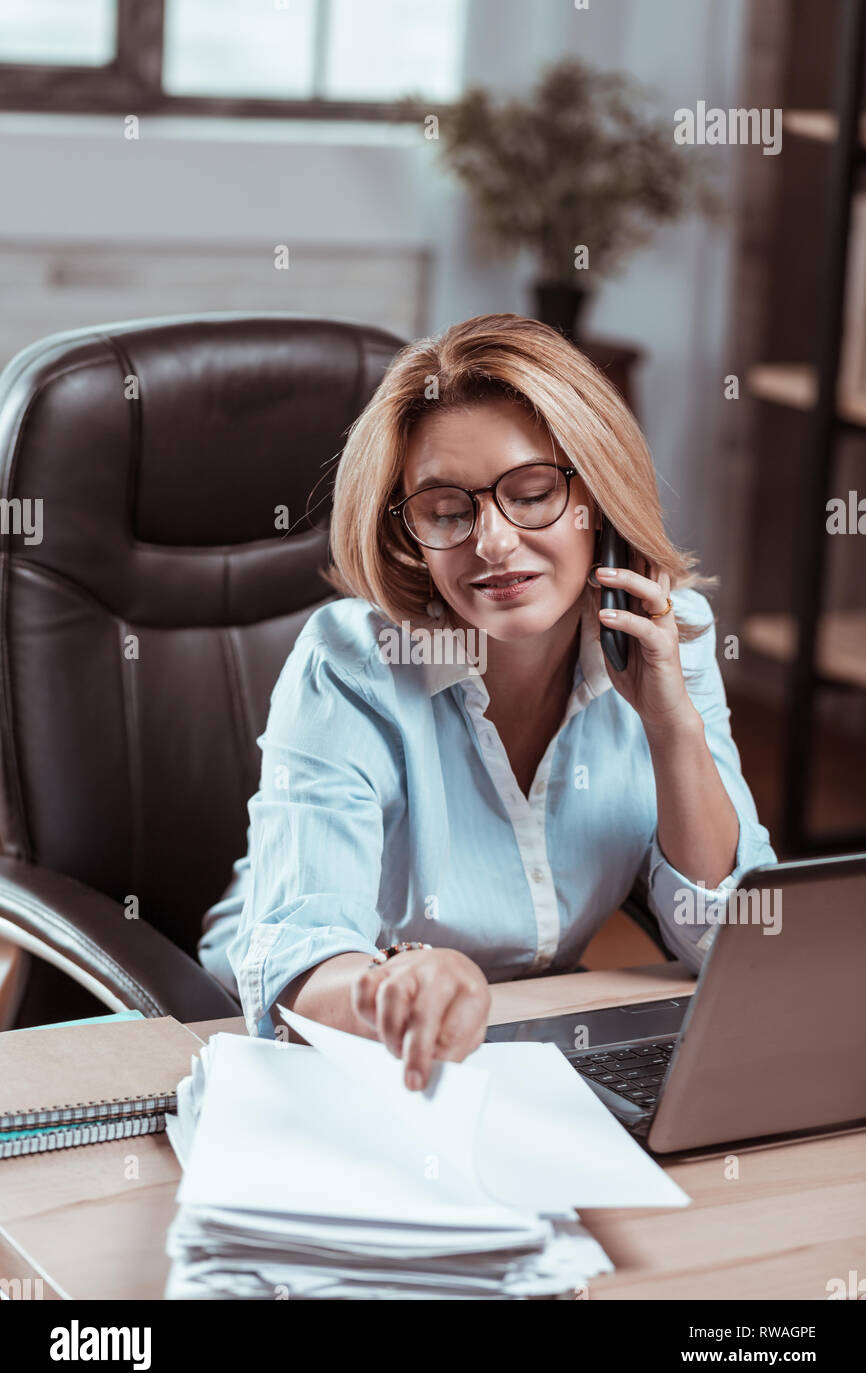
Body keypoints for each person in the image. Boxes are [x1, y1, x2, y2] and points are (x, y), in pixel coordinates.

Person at [198, 312, 775, 1091]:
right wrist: (393, 989)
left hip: (524, 1038)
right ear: (410, 534)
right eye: (447, 511)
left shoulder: (670, 637)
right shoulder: (353, 663)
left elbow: (725, 938)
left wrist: (673, 727)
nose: (494, 543)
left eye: (533, 495)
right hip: (327, 1037)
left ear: (597, 499)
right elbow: (297, 965)